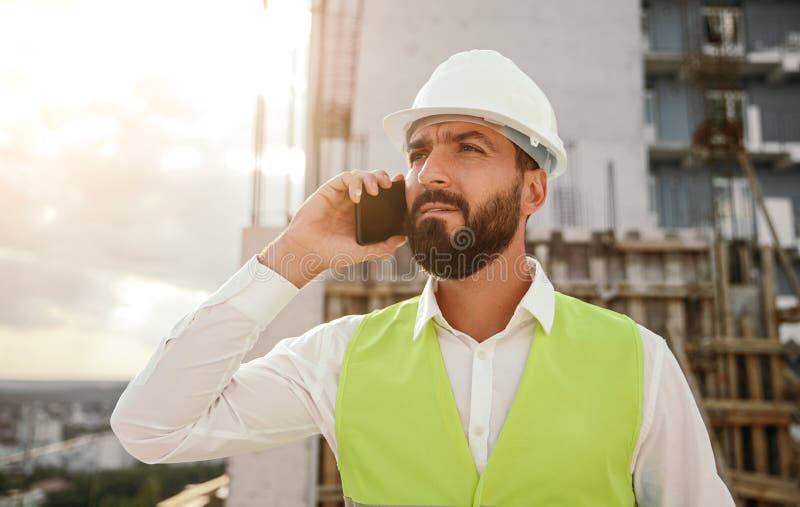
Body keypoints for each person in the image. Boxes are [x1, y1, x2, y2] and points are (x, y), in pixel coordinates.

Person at [110, 50, 736, 506]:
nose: (430, 172)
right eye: (418, 153)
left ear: (532, 189)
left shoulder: (638, 362)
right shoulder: (340, 358)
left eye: (468, 147)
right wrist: (296, 255)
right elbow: (151, 429)